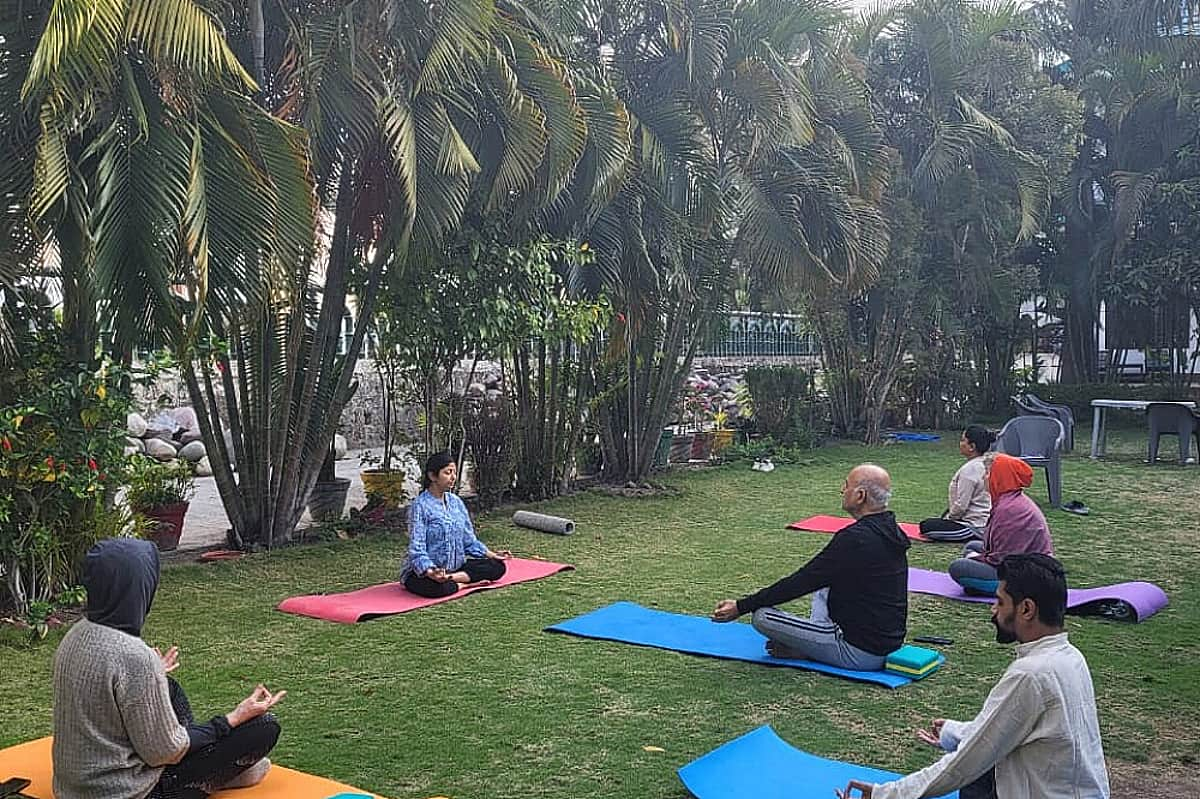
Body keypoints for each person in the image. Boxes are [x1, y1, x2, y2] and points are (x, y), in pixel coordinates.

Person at [837, 553, 1110, 799]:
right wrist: (954, 731)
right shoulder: (1070, 656)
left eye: (1000, 602)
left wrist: (885, 794)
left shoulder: (1031, 675)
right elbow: (1004, 728)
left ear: (1027, 609)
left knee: (975, 775)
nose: (993, 610)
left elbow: (967, 761)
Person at [53, 538, 286, 799]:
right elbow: (164, 752)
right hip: (127, 792)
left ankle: (218, 771)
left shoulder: (74, 635)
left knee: (170, 689)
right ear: (140, 587)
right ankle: (217, 775)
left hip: (72, 789)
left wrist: (154, 679)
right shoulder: (134, 656)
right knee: (265, 727)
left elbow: (100, 694)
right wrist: (233, 718)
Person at [712, 463, 909, 671]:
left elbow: (801, 582)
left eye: (846, 485)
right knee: (829, 581)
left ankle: (812, 651)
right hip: (887, 645)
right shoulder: (890, 530)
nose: (842, 490)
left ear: (860, 496)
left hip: (859, 653)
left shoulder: (856, 539)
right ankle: (814, 646)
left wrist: (742, 606)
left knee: (762, 616)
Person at [402, 451, 511, 598]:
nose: (453, 477)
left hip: (455, 568)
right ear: (433, 476)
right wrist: (431, 571)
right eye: (447, 473)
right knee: (437, 588)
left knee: (498, 567)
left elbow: (469, 541)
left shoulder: (456, 502)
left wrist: (494, 555)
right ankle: (460, 583)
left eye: (454, 472)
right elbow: (417, 549)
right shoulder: (420, 506)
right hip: (427, 572)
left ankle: (453, 580)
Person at [948, 453, 1054, 597]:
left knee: (958, 567)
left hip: (1028, 574)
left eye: (988, 473)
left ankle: (1010, 590)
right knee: (972, 546)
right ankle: (983, 585)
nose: (984, 478)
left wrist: (976, 558)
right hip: (1026, 564)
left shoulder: (1009, 509)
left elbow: (1003, 559)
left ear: (1000, 476)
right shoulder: (1009, 500)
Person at [918, 425, 995, 542]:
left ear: (972, 447)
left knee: (926, 526)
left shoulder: (970, 469)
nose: (960, 443)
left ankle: (975, 536)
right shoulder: (985, 463)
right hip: (983, 522)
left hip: (973, 525)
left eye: (963, 440)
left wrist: (950, 518)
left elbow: (961, 506)